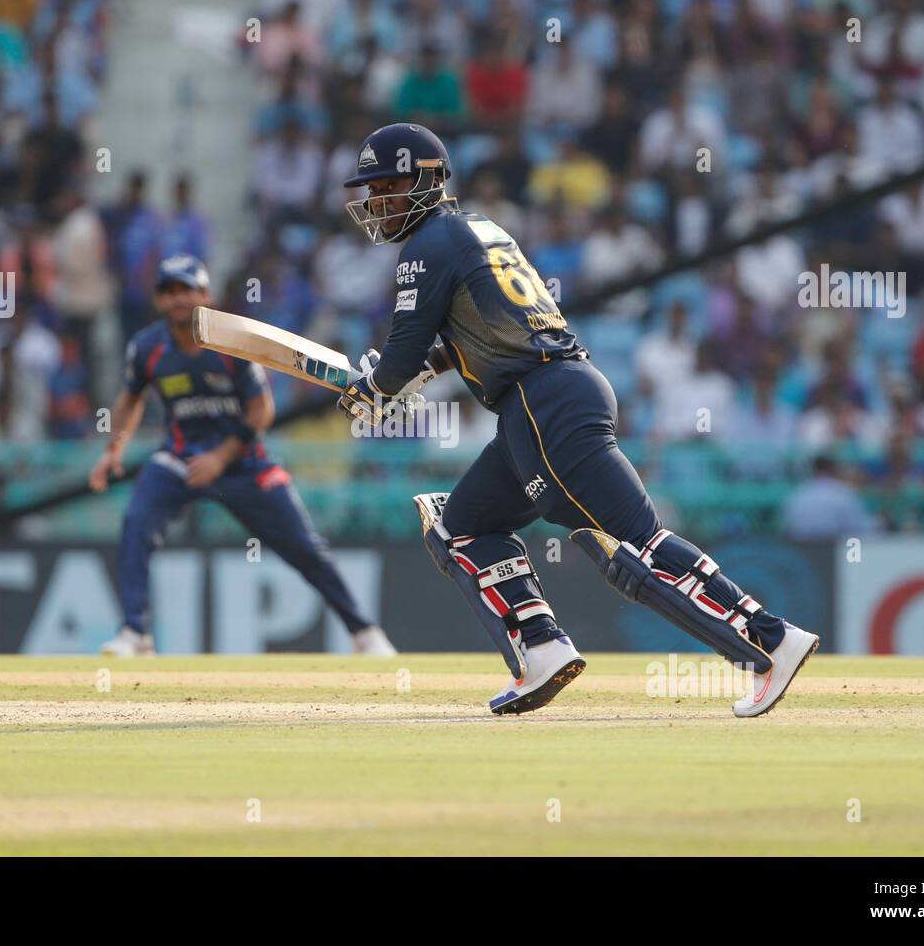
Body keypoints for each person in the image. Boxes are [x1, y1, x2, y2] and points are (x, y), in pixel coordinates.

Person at [337, 123, 818, 716]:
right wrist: (404, 377)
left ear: (427, 180)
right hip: (541, 402)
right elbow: (470, 337)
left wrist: (377, 387)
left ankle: (769, 641)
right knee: (461, 527)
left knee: (630, 546)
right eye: (372, 188)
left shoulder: (428, 245)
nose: (377, 201)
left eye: (388, 185)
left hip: (544, 402)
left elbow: (405, 351)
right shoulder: (479, 229)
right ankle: (541, 650)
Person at [89, 254, 394, 657]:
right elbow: (130, 399)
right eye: (170, 291)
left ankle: (365, 633)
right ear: (159, 299)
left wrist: (219, 458)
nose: (179, 300)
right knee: (136, 521)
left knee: (303, 546)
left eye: (188, 290)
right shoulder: (147, 347)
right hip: (180, 457)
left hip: (244, 462)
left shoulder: (231, 342)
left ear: (206, 294)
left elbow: (262, 411)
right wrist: (113, 451)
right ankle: (134, 633)